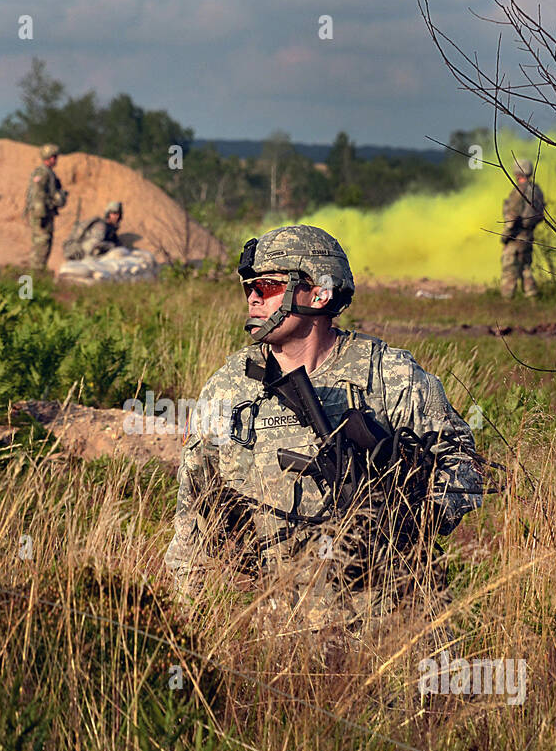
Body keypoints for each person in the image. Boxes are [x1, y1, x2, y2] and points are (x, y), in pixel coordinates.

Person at [164, 225, 484, 658]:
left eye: (268, 286)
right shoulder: (229, 389)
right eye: (249, 288)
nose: (253, 298)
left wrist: (410, 520)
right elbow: (192, 514)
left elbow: (462, 461)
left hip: (389, 627)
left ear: (317, 294)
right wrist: (183, 623)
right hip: (273, 634)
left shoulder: (387, 375)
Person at [500, 158, 545, 298]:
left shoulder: (519, 191)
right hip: (528, 235)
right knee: (525, 268)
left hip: (516, 235)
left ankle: (507, 301)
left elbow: (512, 216)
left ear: (517, 172)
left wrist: (506, 235)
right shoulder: (536, 190)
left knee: (509, 269)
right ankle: (532, 297)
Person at [25, 143, 68, 269]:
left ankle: (39, 270)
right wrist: (41, 215)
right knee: (41, 243)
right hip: (42, 215)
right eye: (53, 157)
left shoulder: (49, 173)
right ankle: (36, 273)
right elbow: (37, 195)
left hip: (46, 214)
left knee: (45, 243)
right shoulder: (42, 173)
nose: (55, 160)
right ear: (48, 157)